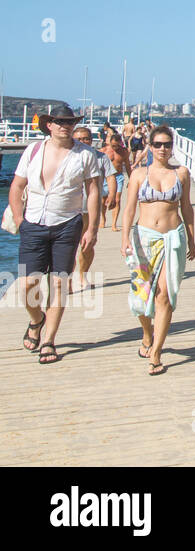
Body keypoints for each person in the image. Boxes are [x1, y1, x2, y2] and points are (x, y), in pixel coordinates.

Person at [8, 105, 104, 364]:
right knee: (28, 285)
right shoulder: (33, 150)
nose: (66, 125)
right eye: (60, 121)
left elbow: (93, 192)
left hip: (67, 225)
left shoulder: (85, 155)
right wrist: (20, 220)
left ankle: (49, 340)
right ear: (49, 125)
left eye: (70, 121)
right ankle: (37, 319)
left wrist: (92, 229)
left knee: (59, 284)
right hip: (33, 224)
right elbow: (17, 186)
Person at [119, 125, 195, 375]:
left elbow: (187, 207)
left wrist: (193, 239)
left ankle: (156, 353)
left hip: (173, 238)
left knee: (164, 295)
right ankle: (146, 333)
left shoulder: (181, 173)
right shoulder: (139, 175)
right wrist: (124, 239)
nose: (163, 149)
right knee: (141, 297)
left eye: (167, 144)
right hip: (144, 239)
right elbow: (129, 208)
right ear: (150, 147)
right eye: (158, 144)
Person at [71, 126, 118, 290]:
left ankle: (82, 276)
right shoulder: (67, 157)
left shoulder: (101, 157)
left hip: (91, 209)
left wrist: (112, 194)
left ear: (91, 140)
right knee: (68, 246)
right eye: (79, 139)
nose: (83, 142)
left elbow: (111, 176)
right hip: (69, 208)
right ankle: (68, 280)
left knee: (87, 244)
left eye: (86, 139)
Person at [103, 133, 131, 230]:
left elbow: (127, 166)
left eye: (117, 145)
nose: (115, 147)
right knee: (103, 201)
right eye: (113, 145)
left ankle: (114, 224)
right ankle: (103, 219)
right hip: (105, 177)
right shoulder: (104, 151)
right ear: (110, 143)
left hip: (118, 177)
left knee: (117, 200)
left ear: (120, 143)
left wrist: (130, 179)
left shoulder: (124, 152)